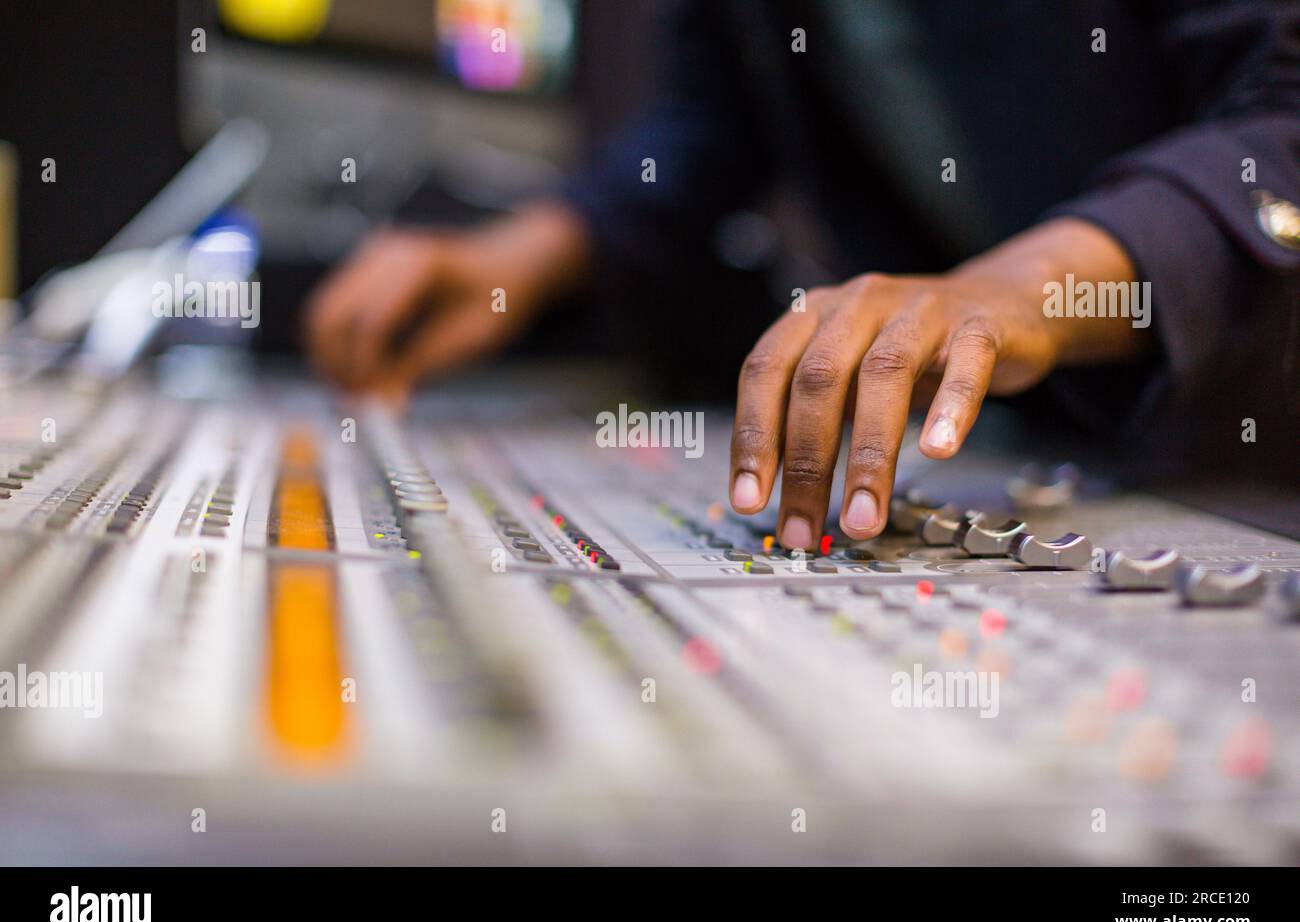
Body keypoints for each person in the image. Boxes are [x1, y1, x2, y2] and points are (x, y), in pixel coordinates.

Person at [306, 1, 1300, 550]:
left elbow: (1281, 117)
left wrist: (1022, 288)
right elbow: (706, 122)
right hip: (1042, 455)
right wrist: (521, 254)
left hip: (1248, 441)